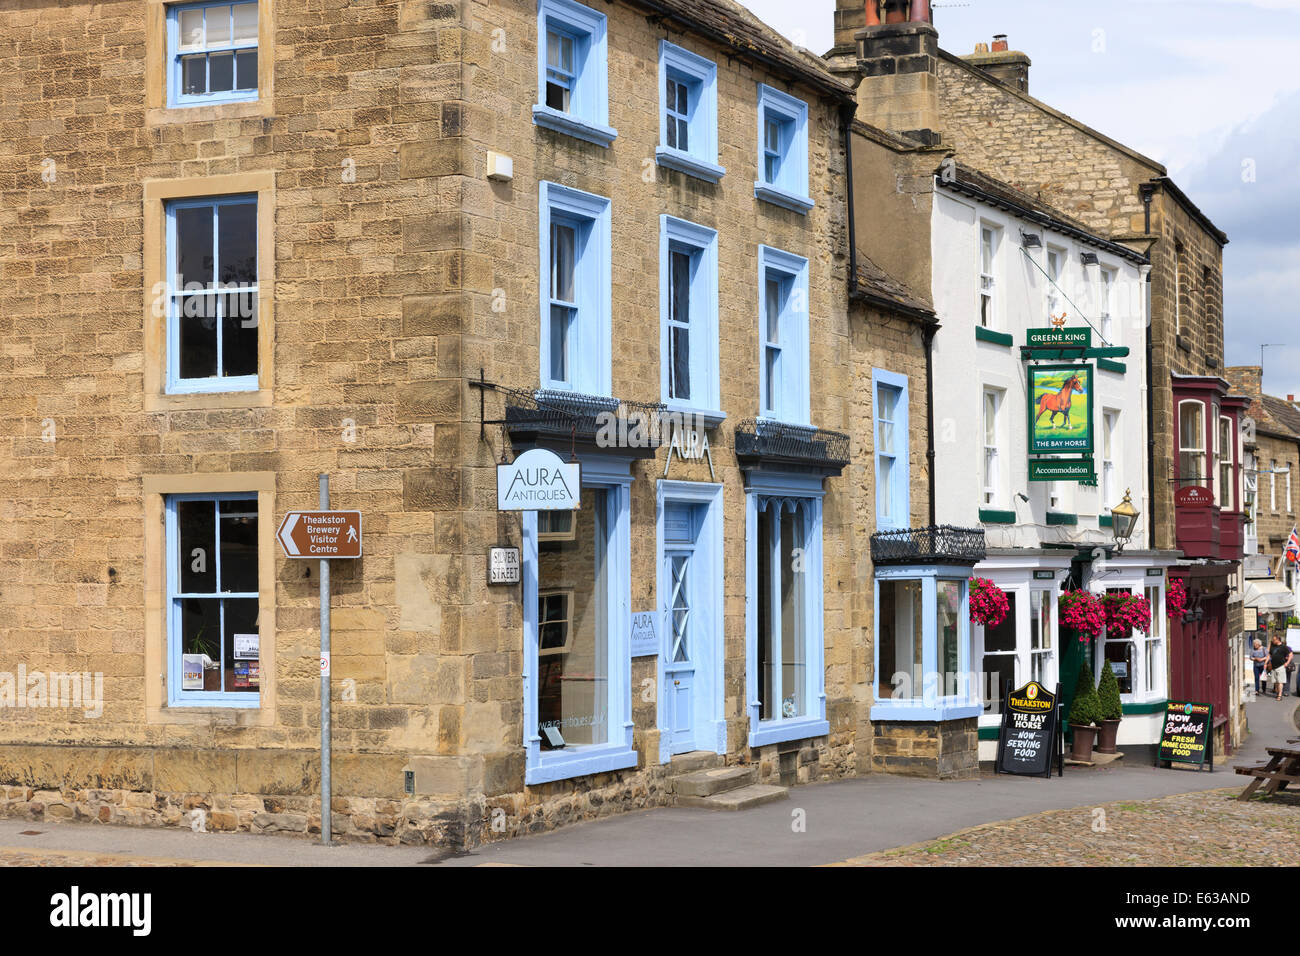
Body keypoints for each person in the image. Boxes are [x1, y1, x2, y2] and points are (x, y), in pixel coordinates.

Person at [1269, 634, 1293, 702]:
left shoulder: (1284, 647)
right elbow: (1270, 655)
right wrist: (1266, 663)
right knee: (1276, 682)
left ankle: (1280, 695)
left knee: (1280, 682)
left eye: (1274, 640)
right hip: (1273, 667)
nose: (1272, 641)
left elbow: (1291, 655)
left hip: (1281, 666)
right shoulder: (1272, 646)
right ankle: (1278, 692)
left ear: (1278, 639)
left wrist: (1287, 663)